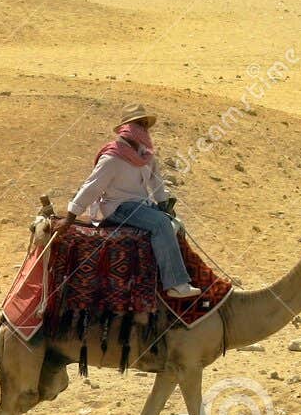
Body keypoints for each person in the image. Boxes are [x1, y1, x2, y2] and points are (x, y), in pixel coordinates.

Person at [51, 104, 201, 299]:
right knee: (161, 224)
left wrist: (165, 206)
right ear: (127, 128)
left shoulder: (146, 156)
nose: (143, 129)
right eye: (139, 124)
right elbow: (91, 187)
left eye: (145, 125)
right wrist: (70, 218)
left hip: (140, 206)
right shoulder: (112, 157)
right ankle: (176, 284)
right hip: (117, 207)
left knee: (175, 224)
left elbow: (156, 183)